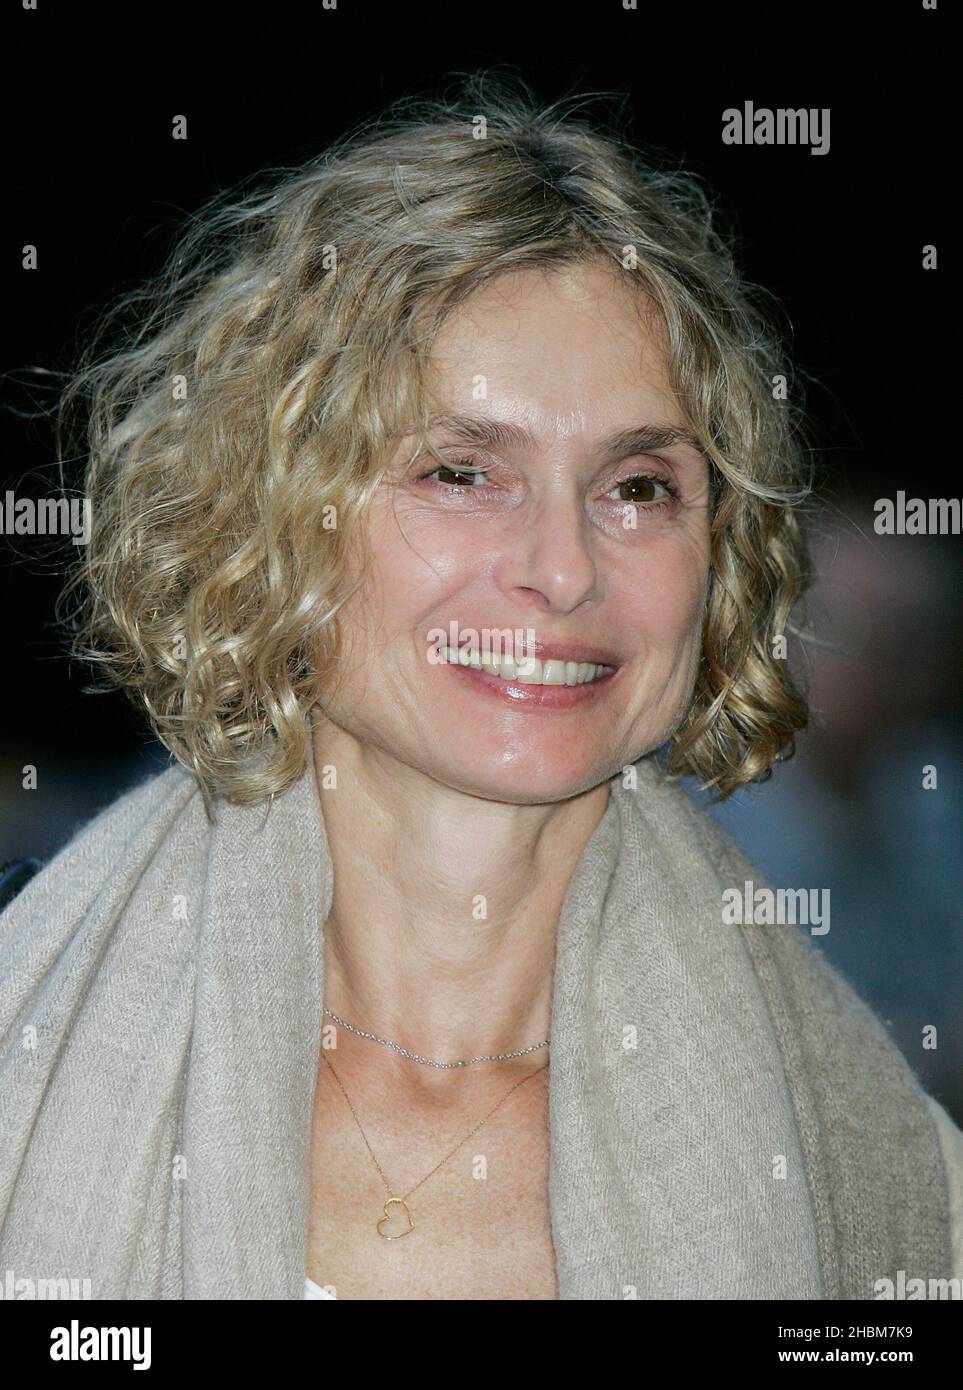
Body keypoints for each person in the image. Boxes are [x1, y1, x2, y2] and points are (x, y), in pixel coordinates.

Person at [1, 74, 960, 1302]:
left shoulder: (870, 1163)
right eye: (461, 471)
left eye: (637, 487)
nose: (562, 570)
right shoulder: (31, 1016)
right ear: (273, 516)